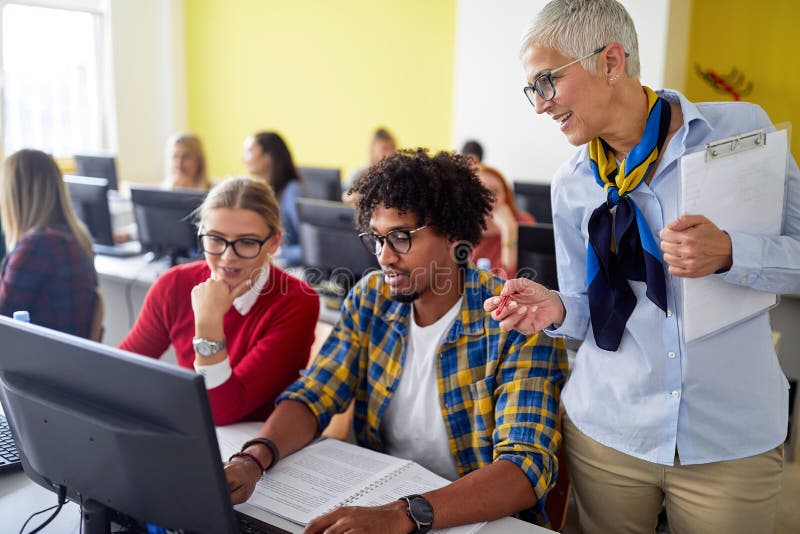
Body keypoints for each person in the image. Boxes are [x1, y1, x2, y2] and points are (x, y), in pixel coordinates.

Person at [486, 1, 800, 533]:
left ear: (611, 62)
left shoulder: (740, 130)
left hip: (728, 440)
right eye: (531, 90)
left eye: (546, 83)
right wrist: (558, 308)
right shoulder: (572, 184)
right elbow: (593, 310)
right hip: (607, 435)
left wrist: (731, 252)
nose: (539, 106)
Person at [225, 149, 568, 531]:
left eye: (401, 238)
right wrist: (252, 459)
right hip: (379, 498)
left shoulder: (515, 321)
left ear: (453, 235)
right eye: (377, 239)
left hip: (475, 517)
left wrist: (405, 513)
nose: (384, 256)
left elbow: (523, 468)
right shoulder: (371, 298)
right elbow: (315, 394)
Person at [119, 178, 319, 425]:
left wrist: (208, 323)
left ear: (274, 242)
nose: (227, 257)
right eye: (215, 239)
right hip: (196, 429)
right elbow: (121, 371)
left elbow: (221, 412)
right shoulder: (174, 285)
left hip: (259, 445)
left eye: (246, 242)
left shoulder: (297, 301)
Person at [0, 149, 98, 338]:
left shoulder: (37, 246)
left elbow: (2, 317)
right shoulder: (75, 235)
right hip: (66, 358)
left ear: (14, 197)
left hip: (42, 363)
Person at [242, 131, 304, 266]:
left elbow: (309, 248)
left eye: (249, 151)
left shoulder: (292, 191)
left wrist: (273, 252)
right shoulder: (258, 191)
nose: (243, 159)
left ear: (268, 156)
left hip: (290, 268)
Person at [471, 164, 535, 278]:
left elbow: (510, 284)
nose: (488, 198)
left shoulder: (524, 223)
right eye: (480, 191)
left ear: (506, 196)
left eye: (494, 192)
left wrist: (509, 230)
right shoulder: (459, 229)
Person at [342, 127, 397, 202]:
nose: (390, 153)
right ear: (372, 150)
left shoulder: (398, 174)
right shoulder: (361, 172)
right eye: (384, 148)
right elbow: (343, 193)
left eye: (392, 148)